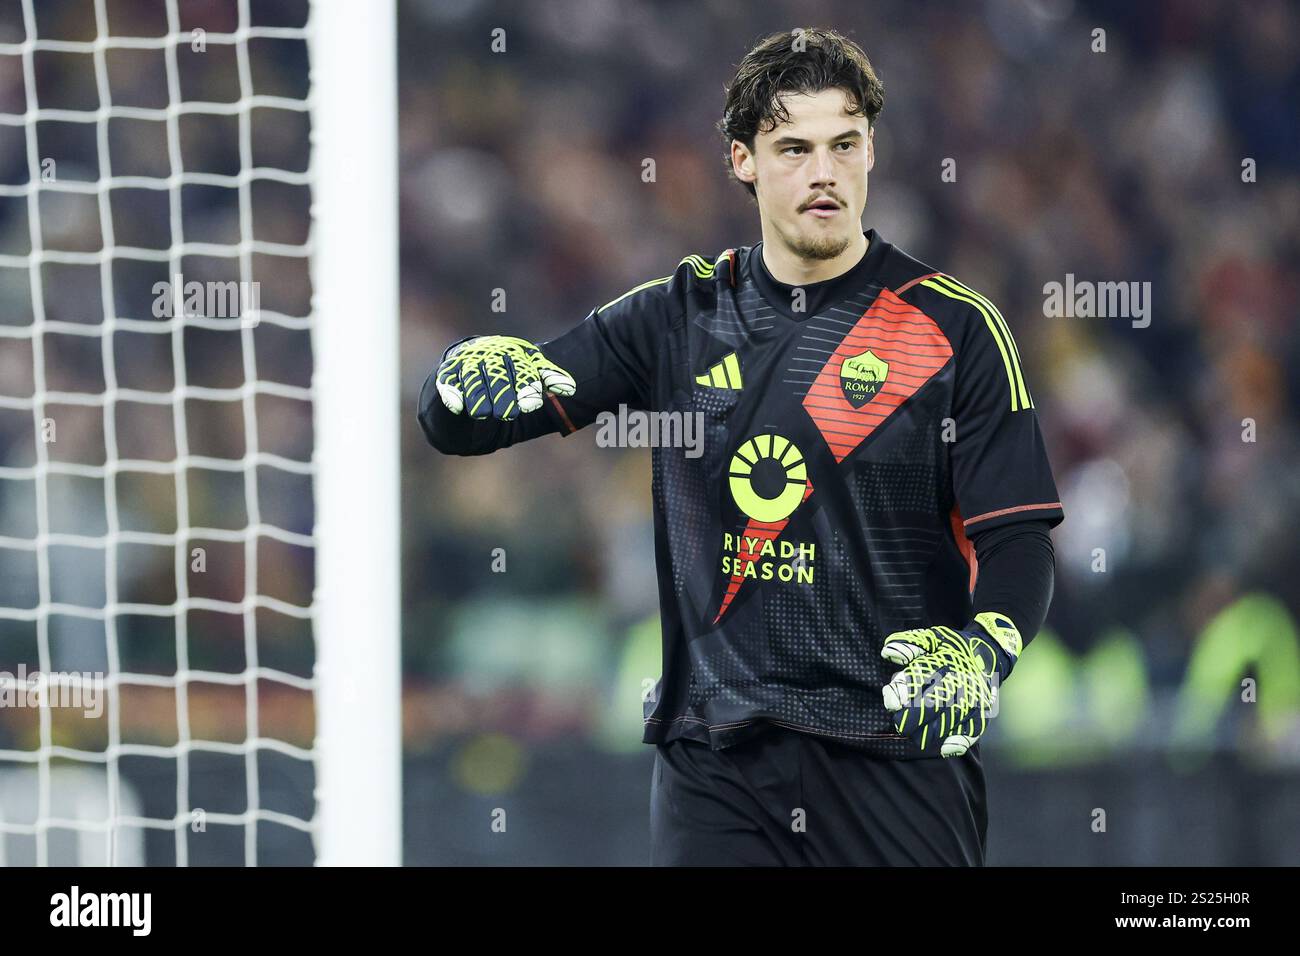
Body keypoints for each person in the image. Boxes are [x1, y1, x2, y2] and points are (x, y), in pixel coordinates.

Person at [417, 27, 1062, 866]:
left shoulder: (954, 330)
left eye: (844, 144)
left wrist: (982, 652)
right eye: (793, 147)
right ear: (743, 160)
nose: (822, 172)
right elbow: (475, 420)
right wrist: (457, 384)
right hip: (715, 762)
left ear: (872, 152)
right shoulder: (676, 316)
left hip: (894, 755)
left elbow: (1016, 540)